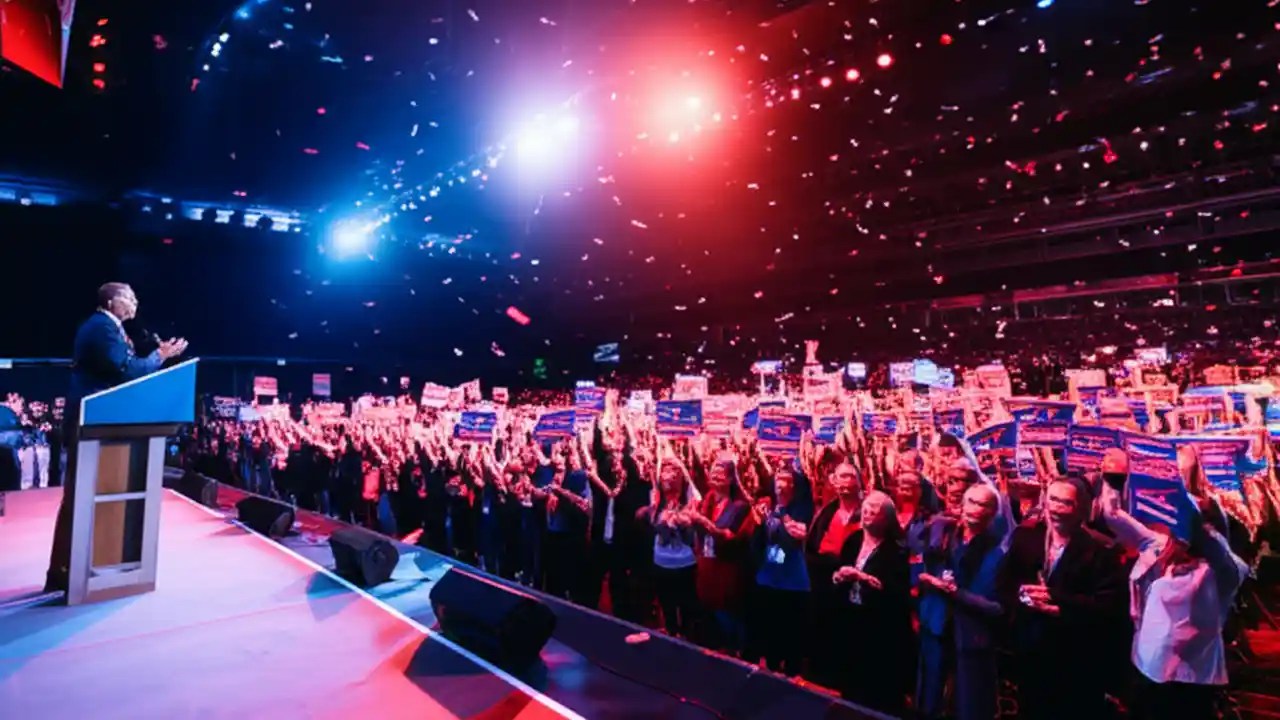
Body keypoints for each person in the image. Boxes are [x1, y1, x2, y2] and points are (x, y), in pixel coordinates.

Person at [45, 283, 188, 595]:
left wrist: (156, 356)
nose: (135, 302)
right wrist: (157, 357)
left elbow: (126, 369)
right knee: (78, 500)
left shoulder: (112, 329)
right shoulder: (100, 328)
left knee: (82, 499)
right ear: (111, 301)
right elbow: (123, 371)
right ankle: (63, 572)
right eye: (130, 297)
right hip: (91, 422)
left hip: (101, 422)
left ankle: (69, 571)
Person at [1100, 491, 1248, 720]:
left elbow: (1216, 549)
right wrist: (1112, 473)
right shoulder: (1160, 548)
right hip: (1148, 667)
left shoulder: (1224, 571)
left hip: (1190, 677)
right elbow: (1113, 515)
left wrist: (1194, 521)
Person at [997, 476, 1127, 720]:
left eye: (1065, 503)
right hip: (1031, 654)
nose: (1056, 508)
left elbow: (1108, 607)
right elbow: (1004, 584)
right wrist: (1022, 600)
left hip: (1076, 660)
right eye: (1052, 500)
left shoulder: (1101, 550)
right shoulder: (1027, 538)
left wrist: (1058, 605)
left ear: (1081, 509)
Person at [916, 484, 1006, 720]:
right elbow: (919, 565)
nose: (975, 509)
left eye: (983, 504)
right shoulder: (944, 535)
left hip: (970, 636)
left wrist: (957, 593)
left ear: (993, 512)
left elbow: (997, 608)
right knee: (929, 701)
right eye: (971, 502)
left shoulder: (997, 552)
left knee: (967, 707)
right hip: (936, 626)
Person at [832, 490, 913, 715]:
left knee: (875, 686)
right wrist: (839, 577)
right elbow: (837, 573)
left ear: (886, 518)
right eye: (865, 509)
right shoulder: (853, 541)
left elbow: (896, 593)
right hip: (851, 616)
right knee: (850, 679)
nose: (867, 514)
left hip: (880, 626)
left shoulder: (896, 550)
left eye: (874, 511)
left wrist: (863, 578)